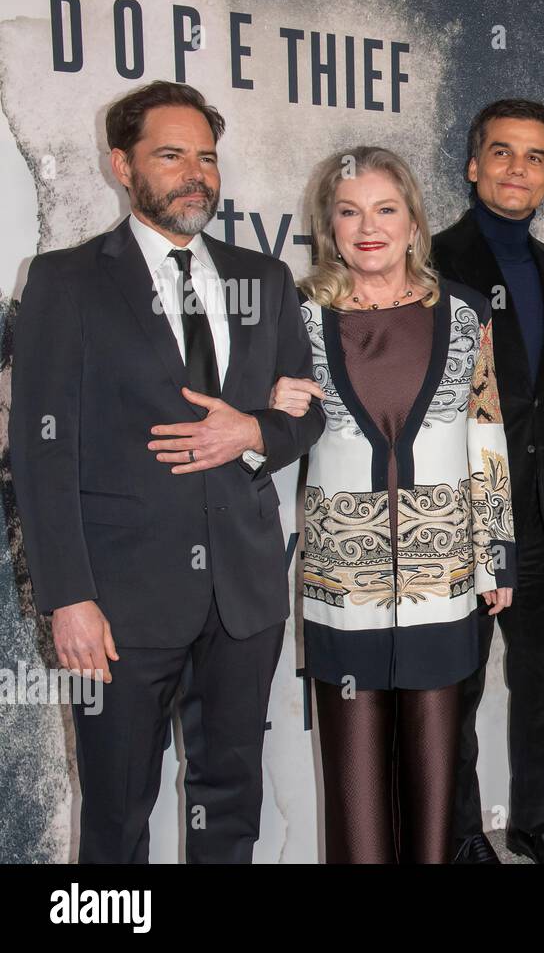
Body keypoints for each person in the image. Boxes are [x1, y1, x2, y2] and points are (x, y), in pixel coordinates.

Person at [8, 81, 324, 863]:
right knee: (115, 815)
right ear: (122, 165)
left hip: (244, 595)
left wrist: (255, 429)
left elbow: (308, 413)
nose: (196, 174)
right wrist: (69, 598)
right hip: (118, 603)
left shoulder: (266, 280)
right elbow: (41, 455)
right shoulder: (64, 282)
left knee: (230, 802)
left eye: (207, 158)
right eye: (171, 154)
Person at [269, 146, 514, 863]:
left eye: (385, 209)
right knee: (355, 794)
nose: (367, 226)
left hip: (445, 582)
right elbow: (273, 433)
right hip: (344, 588)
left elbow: (487, 429)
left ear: (414, 223)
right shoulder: (299, 314)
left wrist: (498, 555)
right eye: (349, 212)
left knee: (436, 783)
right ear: (329, 225)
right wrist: (269, 406)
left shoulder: (464, 311)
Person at [431, 99, 544, 864]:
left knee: (540, 689)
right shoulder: (430, 262)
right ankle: (464, 837)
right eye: (502, 153)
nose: (517, 169)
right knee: (456, 694)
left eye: (533, 157)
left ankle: (535, 824)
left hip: (540, 514)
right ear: (473, 164)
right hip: (463, 517)